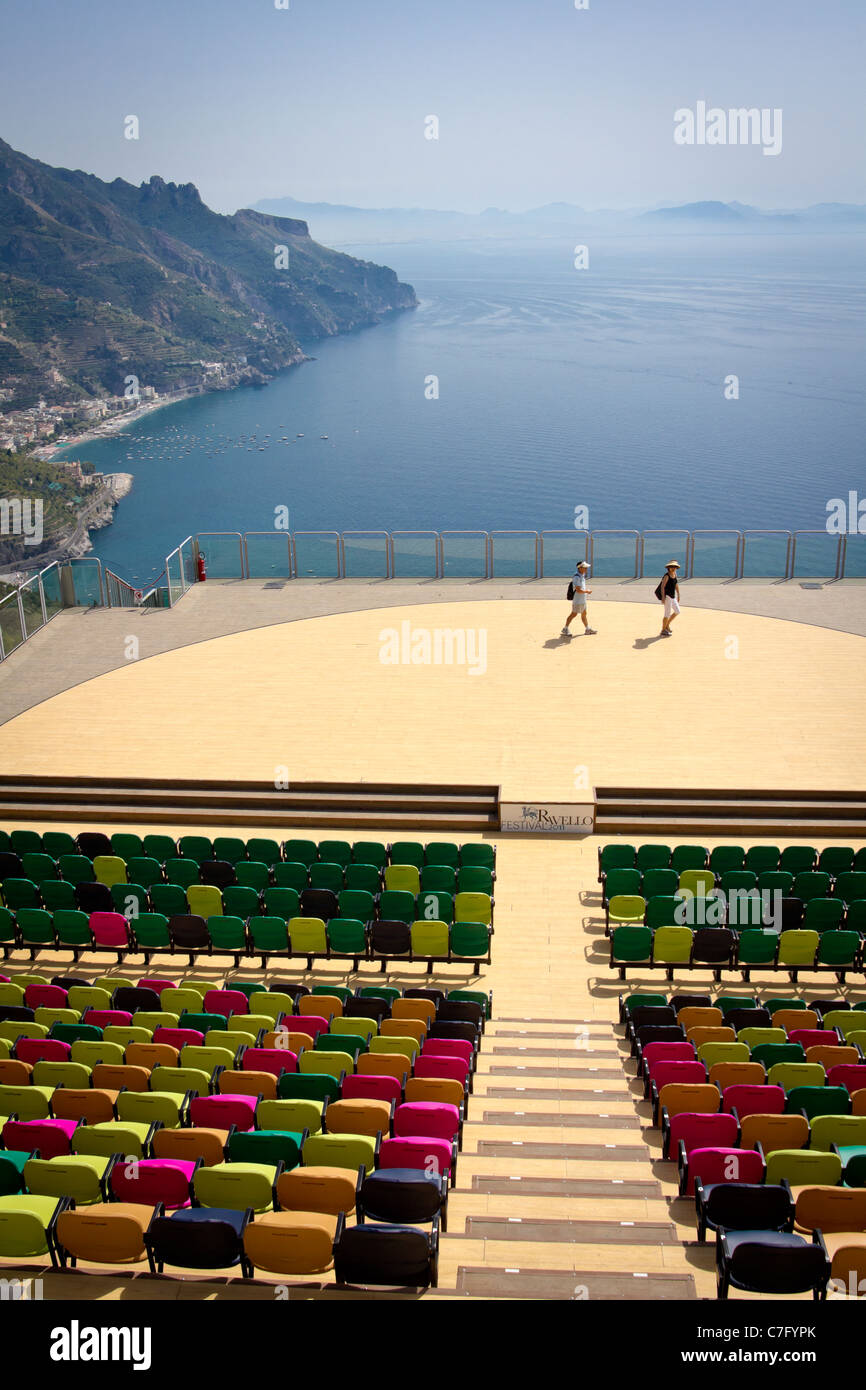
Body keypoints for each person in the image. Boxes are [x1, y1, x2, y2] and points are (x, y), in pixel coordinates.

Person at [562, 560, 597, 636]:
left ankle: (587, 629)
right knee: (573, 614)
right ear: (580, 568)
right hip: (578, 600)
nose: (586, 569)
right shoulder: (577, 577)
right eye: (585, 568)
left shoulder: (582, 576)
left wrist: (585, 592)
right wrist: (587, 591)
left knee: (584, 614)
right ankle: (565, 628)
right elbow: (578, 590)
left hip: (582, 599)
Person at [659, 560, 681, 636]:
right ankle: (663, 630)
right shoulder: (666, 576)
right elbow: (662, 587)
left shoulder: (675, 574)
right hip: (667, 597)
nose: (673, 568)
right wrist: (663, 597)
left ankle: (667, 625)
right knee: (667, 614)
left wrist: (678, 594)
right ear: (668, 567)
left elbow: (676, 584)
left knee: (677, 611)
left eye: (675, 567)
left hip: (673, 596)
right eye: (672, 567)